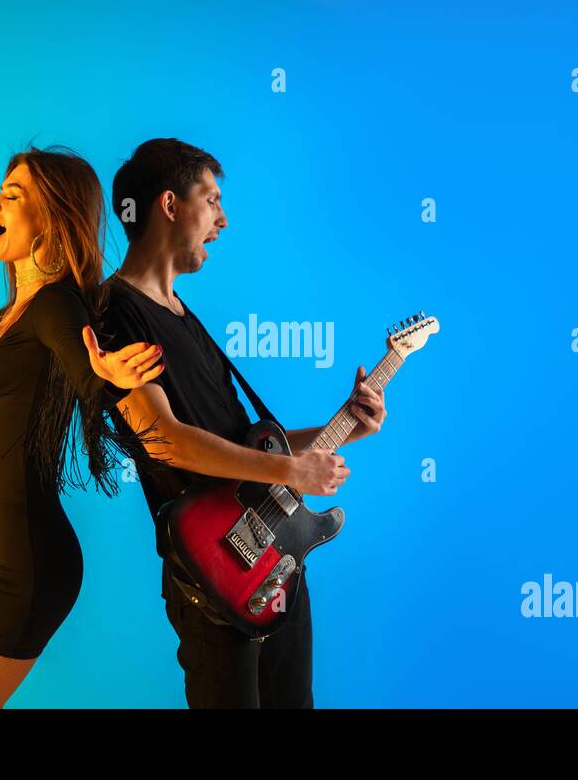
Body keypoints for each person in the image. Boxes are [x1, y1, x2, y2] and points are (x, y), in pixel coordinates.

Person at [100, 139, 388, 708]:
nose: (223, 221)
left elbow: (238, 443)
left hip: (275, 566)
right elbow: (167, 440)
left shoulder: (188, 318)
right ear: (169, 204)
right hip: (212, 572)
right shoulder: (115, 311)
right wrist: (290, 468)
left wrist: (349, 425)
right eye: (212, 201)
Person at [0, 146, 164, 708]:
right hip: (8, 564)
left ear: (53, 218)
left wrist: (108, 377)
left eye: (12, 197)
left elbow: (85, 370)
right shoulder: (10, 318)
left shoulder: (55, 306)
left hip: (31, 567)